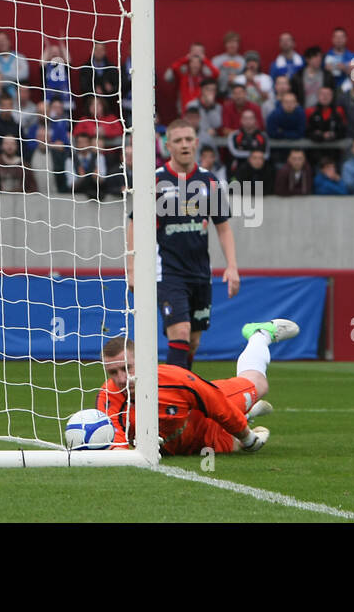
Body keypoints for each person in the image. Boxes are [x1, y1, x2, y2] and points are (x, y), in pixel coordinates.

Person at [127, 120, 239, 370]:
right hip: (167, 272)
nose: (184, 145)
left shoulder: (209, 182)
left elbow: (223, 227)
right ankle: (171, 400)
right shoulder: (155, 180)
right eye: (178, 141)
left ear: (196, 143)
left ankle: (181, 390)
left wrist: (232, 266)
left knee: (194, 341)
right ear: (168, 146)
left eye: (189, 139)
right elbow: (134, 223)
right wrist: (132, 269)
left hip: (200, 272)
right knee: (181, 332)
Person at [97, 319, 299, 455]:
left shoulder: (177, 379)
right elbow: (116, 440)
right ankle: (248, 414)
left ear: (142, 360)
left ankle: (260, 333)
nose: (122, 378)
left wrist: (248, 439)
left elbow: (219, 407)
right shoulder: (109, 394)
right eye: (113, 373)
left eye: (127, 368)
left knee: (258, 385)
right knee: (231, 449)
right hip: (185, 444)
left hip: (207, 418)